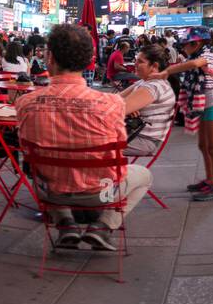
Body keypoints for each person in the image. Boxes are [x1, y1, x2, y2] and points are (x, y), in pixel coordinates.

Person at [15, 24, 151, 252]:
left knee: (42, 166)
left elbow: (26, 151)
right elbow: (119, 149)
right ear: (89, 60)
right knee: (144, 175)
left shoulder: (25, 103)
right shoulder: (112, 104)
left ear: (50, 58)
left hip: (51, 193)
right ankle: (103, 226)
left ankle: (65, 223)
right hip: (103, 193)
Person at [159, 28, 213, 201]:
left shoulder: (209, 56)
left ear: (196, 43)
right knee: (203, 146)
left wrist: (167, 71)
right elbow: (191, 63)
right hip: (204, 106)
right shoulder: (194, 56)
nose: (182, 48)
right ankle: (210, 180)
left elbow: (194, 65)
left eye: (184, 44)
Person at [118, 44, 176, 155]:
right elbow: (117, 99)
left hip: (143, 140)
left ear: (154, 66)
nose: (135, 64)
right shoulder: (145, 81)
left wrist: (126, 109)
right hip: (132, 133)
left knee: (88, 143)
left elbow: (117, 109)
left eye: (140, 62)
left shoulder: (155, 86)